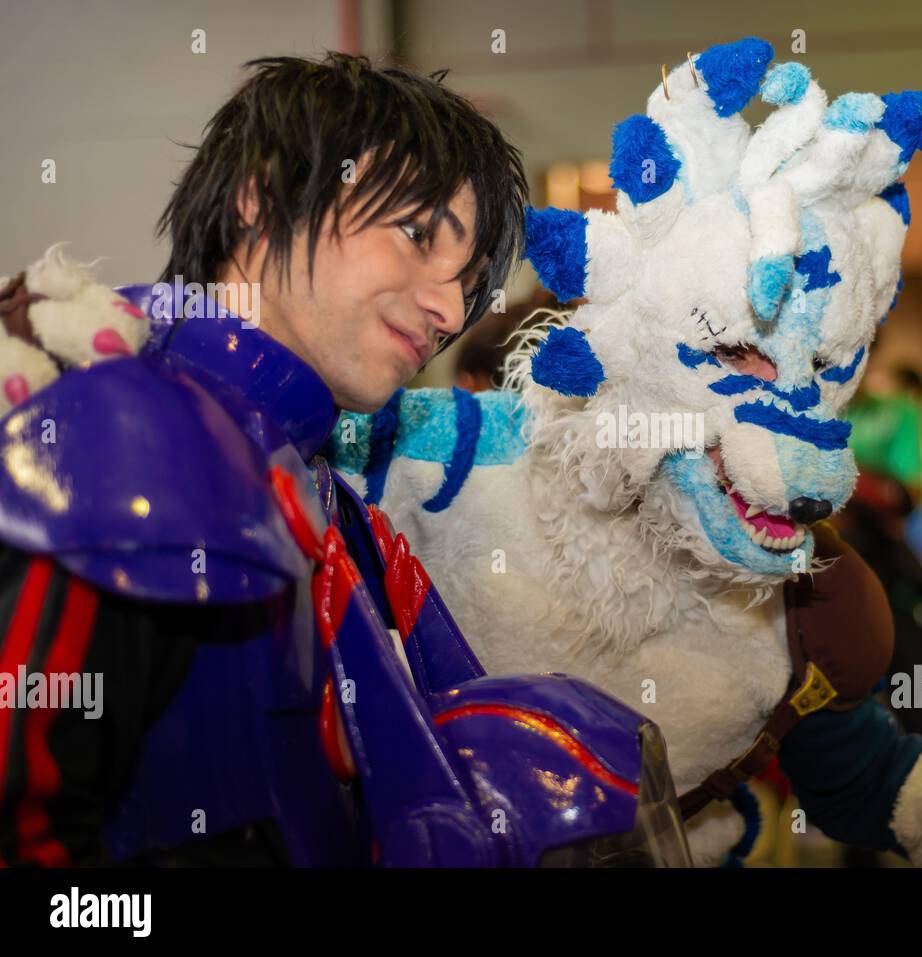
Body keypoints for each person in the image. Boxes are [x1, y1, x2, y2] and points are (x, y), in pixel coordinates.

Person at [0, 53, 660, 867]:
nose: (450, 308)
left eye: (469, 282)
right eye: (418, 235)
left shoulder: (324, 494)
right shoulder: (130, 432)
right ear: (263, 194)